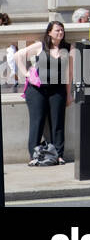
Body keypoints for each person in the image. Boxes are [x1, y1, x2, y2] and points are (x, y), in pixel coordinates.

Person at [15, 21, 74, 165]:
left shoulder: (68, 48)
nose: (60, 33)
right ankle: (34, 156)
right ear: (49, 32)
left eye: (62, 30)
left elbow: (69, 73)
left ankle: (58, 155)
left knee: (58, 121)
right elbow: (18, 56)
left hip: (58, 89)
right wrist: (26, 74)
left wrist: (68, 94)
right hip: (37, 90)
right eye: (57, 30)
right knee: (38, 121)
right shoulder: (41, 46)